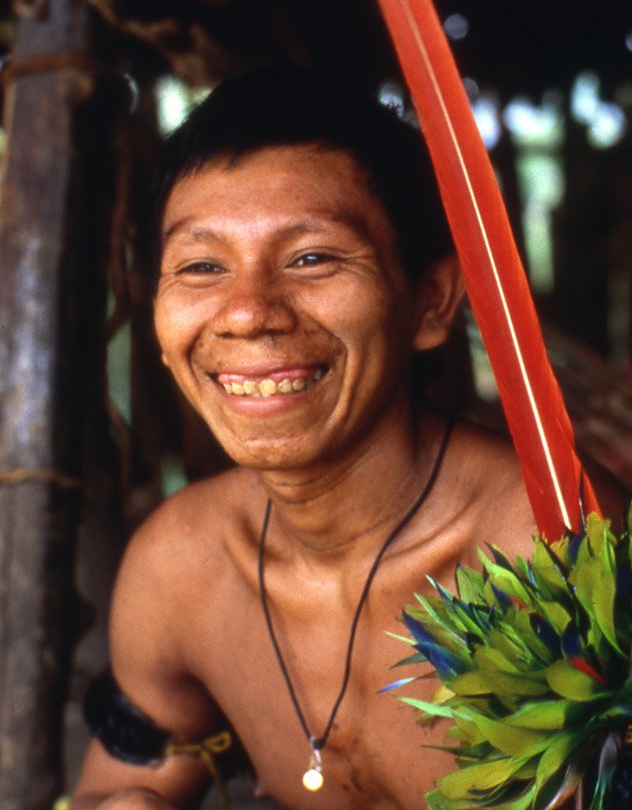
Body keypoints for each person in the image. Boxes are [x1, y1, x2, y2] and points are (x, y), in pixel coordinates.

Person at [71, 67, 543, 810]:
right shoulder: (183, 568)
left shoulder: (553, 555)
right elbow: (123, 783)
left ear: (431, 301)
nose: (248, 312)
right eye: (200, 266)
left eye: (312, 257)